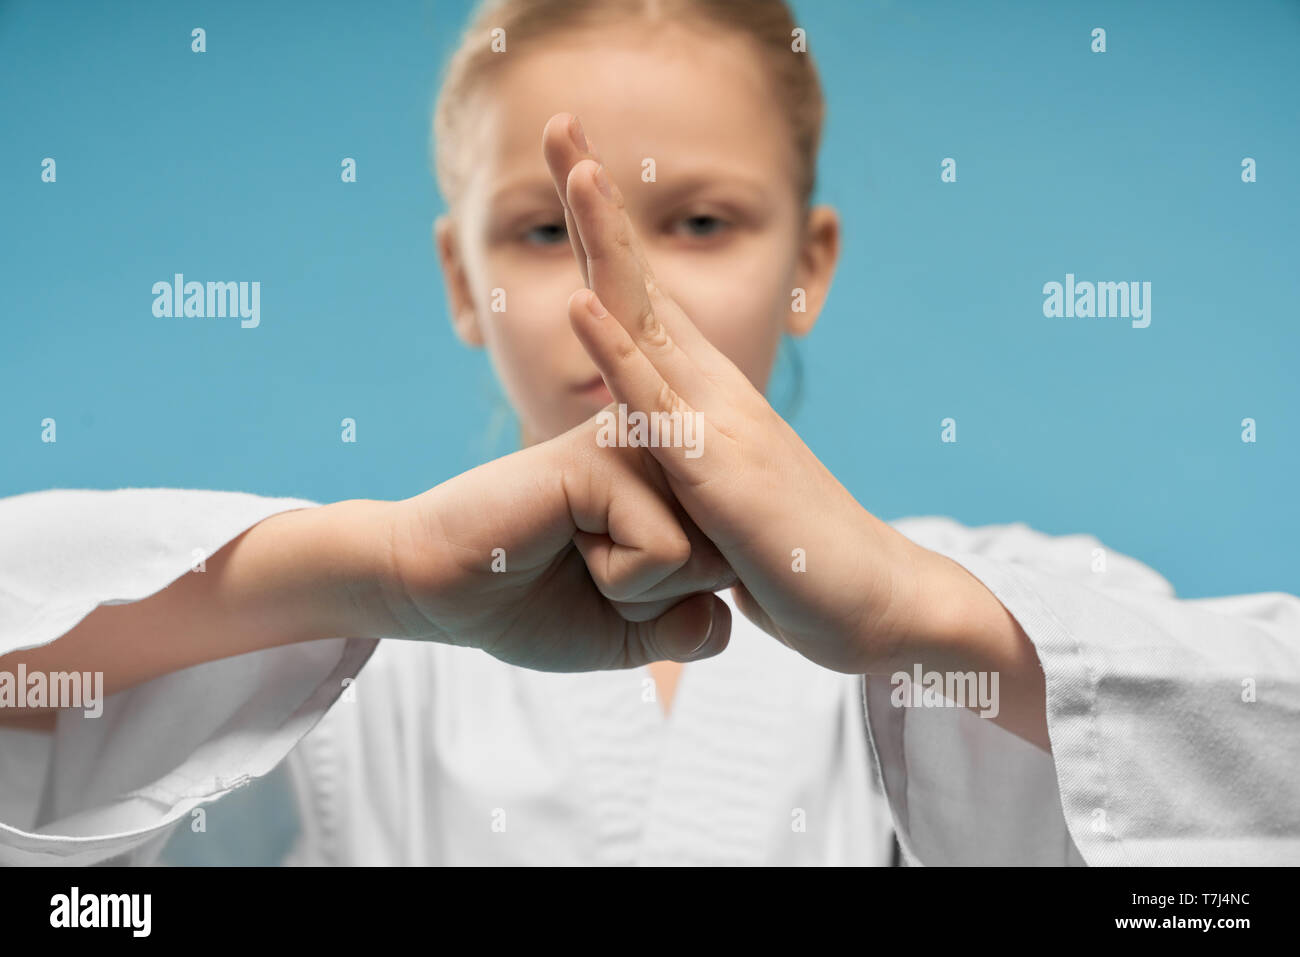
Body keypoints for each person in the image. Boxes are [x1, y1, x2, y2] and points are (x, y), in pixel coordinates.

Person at [1, 0, 1296, 867]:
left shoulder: (992, 608)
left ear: (811, 263)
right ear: (462, 282)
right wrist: (376, 575)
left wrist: (920, 612)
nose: (618, 295)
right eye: (546, 230)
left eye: (701, 224)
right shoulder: (330, 664)